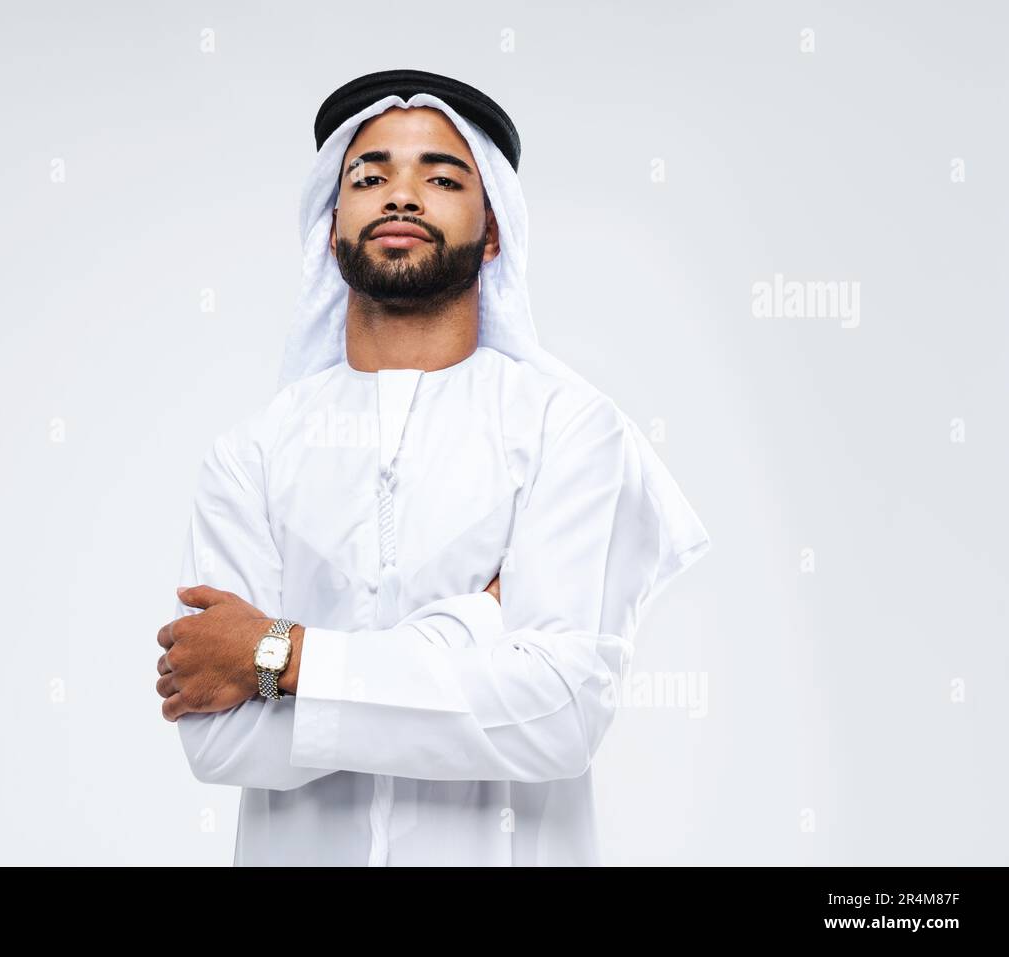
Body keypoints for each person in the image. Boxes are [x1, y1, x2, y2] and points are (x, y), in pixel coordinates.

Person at [156, 69, 711, 866]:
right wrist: (477, 627)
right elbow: (222, 744)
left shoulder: (572, 429)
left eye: (442, 176)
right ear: (330, 221)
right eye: (370, 175)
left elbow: (559, 718)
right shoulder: (254, 453)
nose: (402, 195)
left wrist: (277, 656)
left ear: (492, 231)